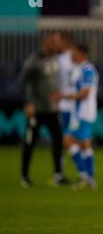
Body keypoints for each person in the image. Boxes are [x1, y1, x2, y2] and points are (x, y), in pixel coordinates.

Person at [20, 32, 69, 187]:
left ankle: (58, 175)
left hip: (52, 109)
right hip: (36, 109)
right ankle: (24, 176)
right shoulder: (34, 61)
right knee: (30, 142)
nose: (58, 45)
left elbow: (53, 83)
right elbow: (23, 82)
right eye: (55, 42)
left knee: (58, 140)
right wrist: (28, 103)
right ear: (46, 42)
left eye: (59, 42)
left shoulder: (55, 59)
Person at [53, 44, 99, 190]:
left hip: (82, 112)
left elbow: (85, 94)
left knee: (69, 141)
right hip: (79, 112)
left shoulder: (88, 71)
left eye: (74, 53)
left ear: (81, 53)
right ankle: (88, 177)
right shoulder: (79, 70)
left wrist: (64, 96)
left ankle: (85, 175)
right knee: (83, 144)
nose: (71, 56)